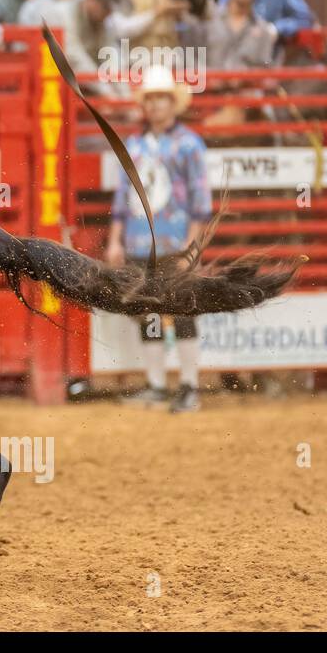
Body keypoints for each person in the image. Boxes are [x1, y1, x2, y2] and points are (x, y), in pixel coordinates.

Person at [105, 66, 211, 413]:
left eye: (160, 98)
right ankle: (156, 383)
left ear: (172, 103)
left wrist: (192, 247)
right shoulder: (133, 145)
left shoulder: (189, 145)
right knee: (149, 310)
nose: (155, 105)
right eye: (150, 99)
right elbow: (123, 197)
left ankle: (189, 386)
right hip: (139, 243)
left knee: (181, 310)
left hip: (175, 244)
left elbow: (200, 203)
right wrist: (116, 240)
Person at [192, 0, 278, 70]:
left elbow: (265, 71)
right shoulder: (208, 22)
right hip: (211, 86)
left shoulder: (263, 30)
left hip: (249, 87)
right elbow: (194, 61)